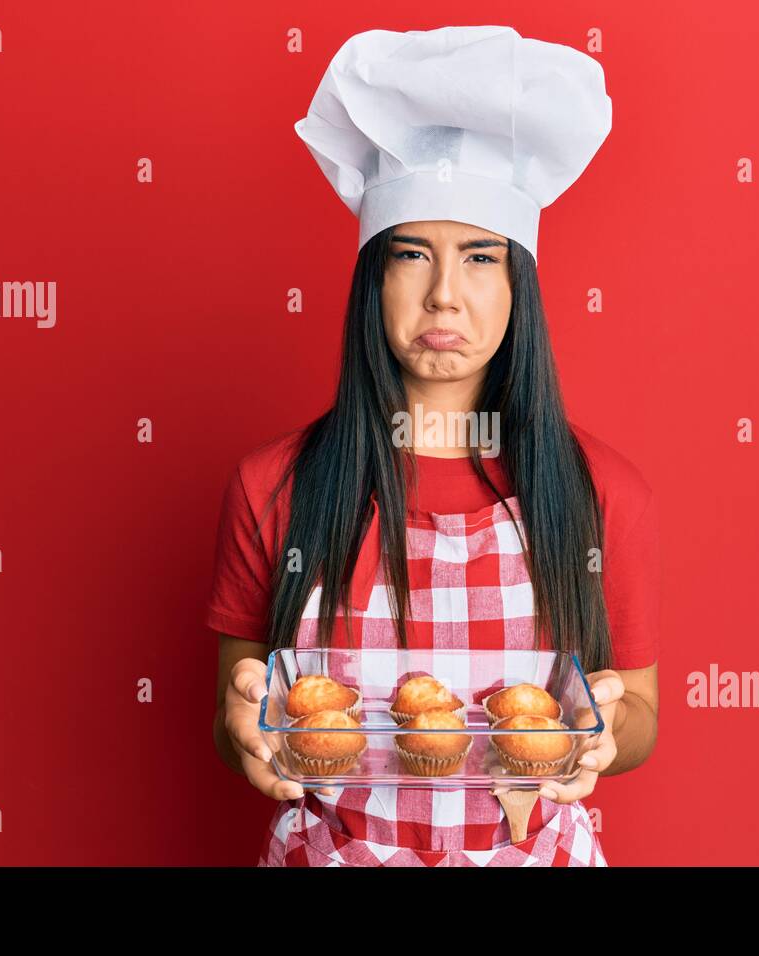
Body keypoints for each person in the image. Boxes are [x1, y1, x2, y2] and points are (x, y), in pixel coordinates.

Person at [207, 25, 661, 866]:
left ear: (518, 283)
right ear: (372, 276)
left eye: (481, 257)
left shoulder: (600, 490)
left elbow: (637, 714)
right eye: (412, 254)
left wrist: (604, 733)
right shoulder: (273, 486)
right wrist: (245, 726)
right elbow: (235, 709)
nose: (445, 294)